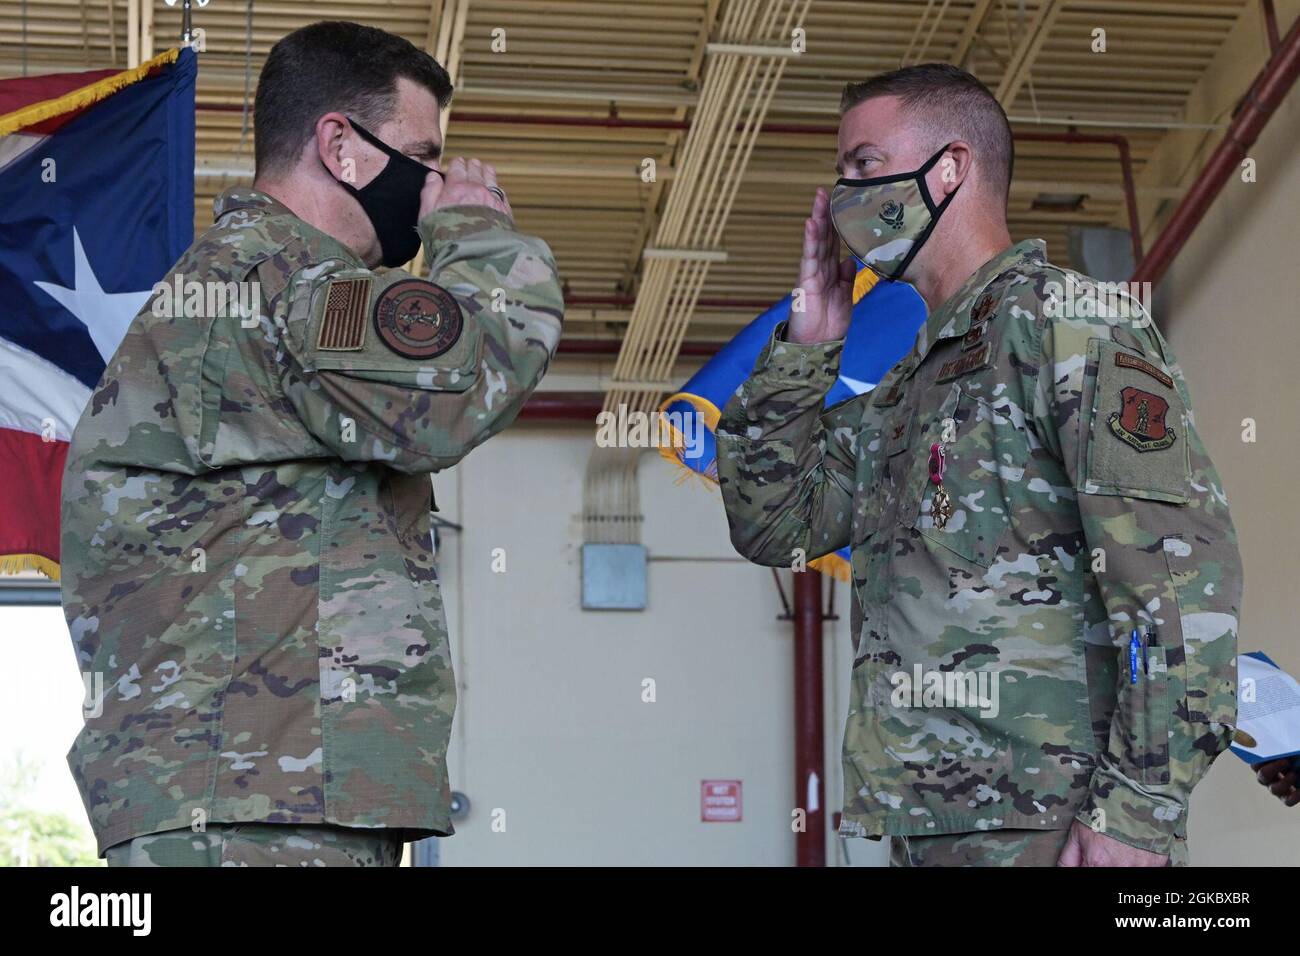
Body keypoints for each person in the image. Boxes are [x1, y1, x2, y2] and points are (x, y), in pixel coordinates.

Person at [60, 20, 564, 866]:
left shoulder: (259, 285)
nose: (433, 179)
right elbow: (459, 386)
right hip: (255, 806)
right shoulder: (279, 281)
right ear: (341, 145)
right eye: (422, 152)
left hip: (261, 795)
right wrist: (476, 232)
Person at [715, 63, 1241, 867]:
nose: (845, 193)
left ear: (950, 167)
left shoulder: (1068, 322)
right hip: (927, 820)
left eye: (863, 164)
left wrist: (1137, 811)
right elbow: (774, 525)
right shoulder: (906, 388)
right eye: (843, 170)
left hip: (1052, 819)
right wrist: (808, 348)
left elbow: (1177, 580)